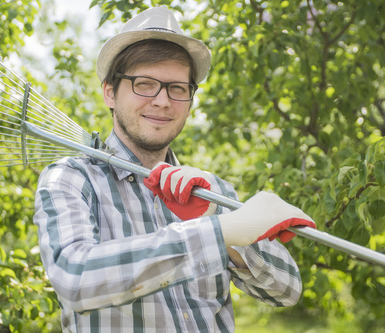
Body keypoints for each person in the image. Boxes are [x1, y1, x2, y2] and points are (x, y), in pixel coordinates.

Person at [34, 6, 316, 332]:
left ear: (191, 100)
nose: (163, 101)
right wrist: (215, 233)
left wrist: (222, 227)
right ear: (110, 92)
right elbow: (75, 280)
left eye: (177, 88)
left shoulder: (212, 192)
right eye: (144, 84)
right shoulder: (72, 178)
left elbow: (286, 290)